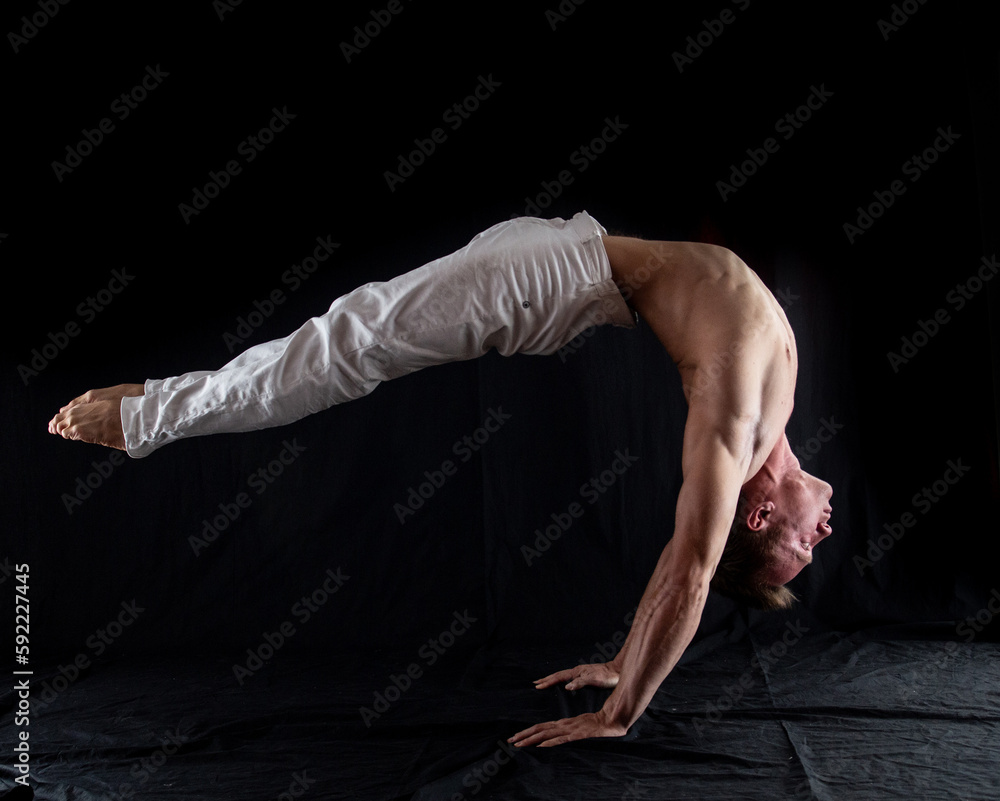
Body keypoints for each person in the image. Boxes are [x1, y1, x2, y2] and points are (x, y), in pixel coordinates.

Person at [47, 210, 833, 748]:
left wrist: (622, 707)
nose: (824, 532)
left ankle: (148, 416)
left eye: (806, 546)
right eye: (813, 544)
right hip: (563, 257)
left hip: (553, 279)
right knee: (350, 336)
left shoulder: (737, 426)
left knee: (344, 347)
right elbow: (685, 559)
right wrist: (626, 661)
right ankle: (155, 408)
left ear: (756, 516)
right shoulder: (769, 421)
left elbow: (691, 567)